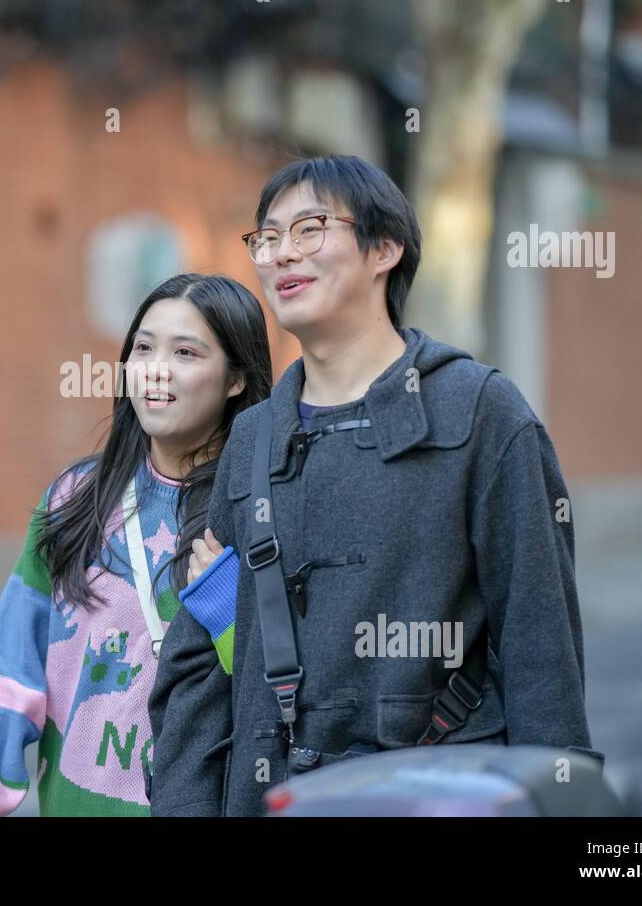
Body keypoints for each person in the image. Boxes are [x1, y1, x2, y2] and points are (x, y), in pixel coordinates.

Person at [148, 155, 601, 817]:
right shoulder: (253, 437)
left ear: (383, 249)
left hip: (438, 797)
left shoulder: (479, 413)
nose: (280, 255)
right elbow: (196, 673)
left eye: (308, 230)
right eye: (267, 239)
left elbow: (541, 654)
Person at [0, 274, 272, 816]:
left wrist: (231, 621)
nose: (154, 370)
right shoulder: (74, 499)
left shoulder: (260, 512)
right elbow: (8, 670)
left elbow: (287, 700)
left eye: (185, 352)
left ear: (236, 379)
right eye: (143, 348)